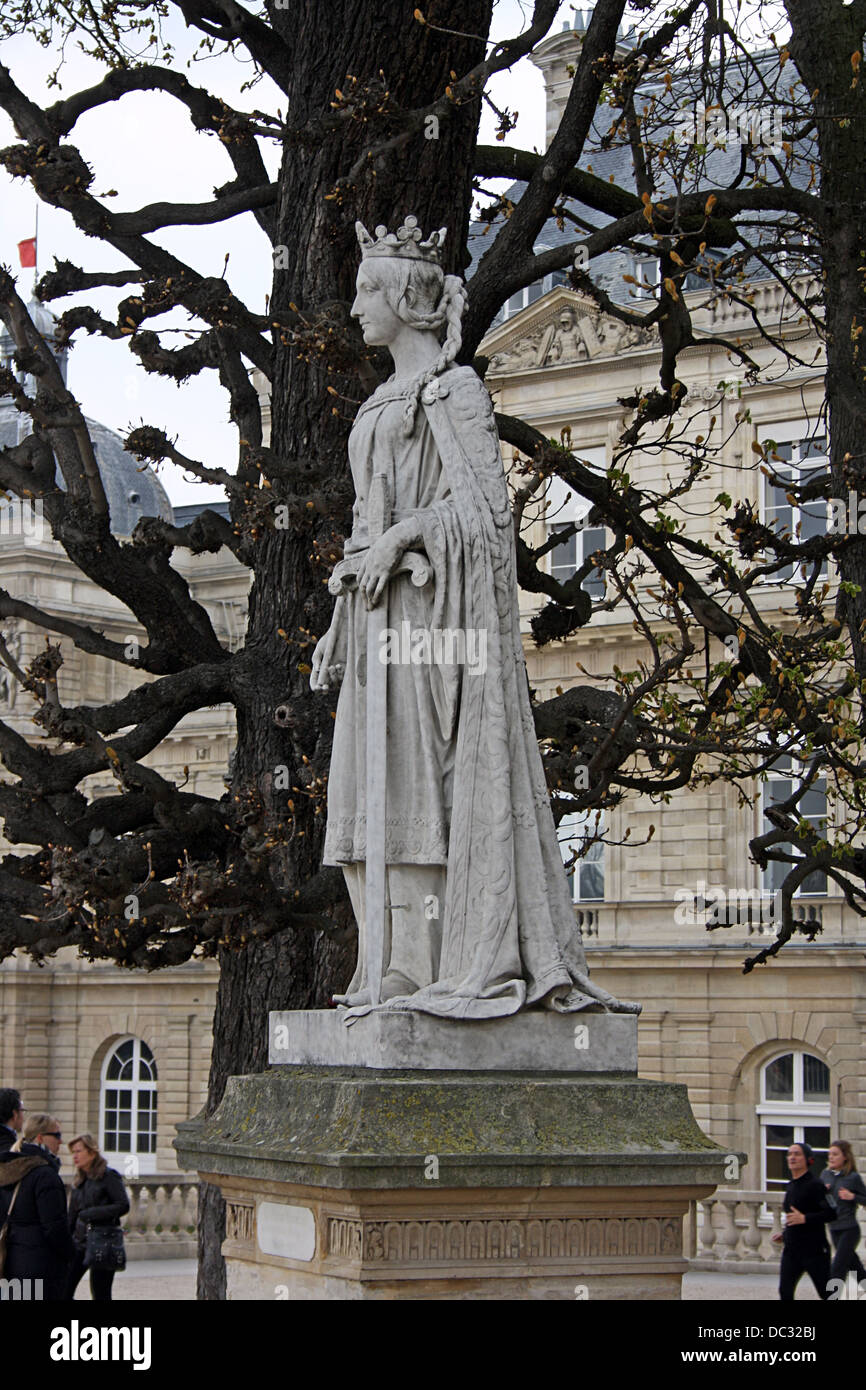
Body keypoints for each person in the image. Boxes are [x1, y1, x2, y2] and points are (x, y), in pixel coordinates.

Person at [310, 213, 638, 1021]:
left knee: (418, 786)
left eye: (364, 293)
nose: (354, 308)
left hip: (431, 621)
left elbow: (487, 514)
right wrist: (337, 625)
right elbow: (362, 532)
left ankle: (418, 966)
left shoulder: (452, 391)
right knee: (358, 794)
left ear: (403, 298)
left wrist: (410, 534)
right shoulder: (376, 403)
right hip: (373, 624)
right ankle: (378, 961)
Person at [0, 1112, 72, 1300]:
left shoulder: (11, 1169)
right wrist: (70, 1253)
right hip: (40, 1265)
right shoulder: (44, 1175)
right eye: (56, 1135)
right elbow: (54, 1226)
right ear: (40, 1138)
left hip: (11, 1261)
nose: (60, 1141)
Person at [65, 1133, 129, 1301]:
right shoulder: (79, 1180)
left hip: (103, 1241)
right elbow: (71, 1216)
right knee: (64, 1287)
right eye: (73, 1152)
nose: (75, 1156)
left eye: (78, 1151)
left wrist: (91, 1214)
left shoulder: (108, 1176)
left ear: (92, 1153)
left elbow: (123, 1205)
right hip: (79, 1243)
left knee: (100, 1292)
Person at [772, 1141, 833, 1300]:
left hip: (814, 1250)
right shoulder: (791, 1185)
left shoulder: (816, 1185)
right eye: (789, 1154)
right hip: (792, 1250)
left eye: (797, 1154)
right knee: (785, 1291)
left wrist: (805, 1218)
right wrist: (785, 1234)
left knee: (827, 1293)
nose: (792, 1157)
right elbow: (793, 1217)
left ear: (808, 1160)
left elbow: (832, 1213)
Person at [821, 1139, 866, 1289]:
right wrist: (820, 1192)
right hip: (833, 1228)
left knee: (837, 1268)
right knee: (855, 1268)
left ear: (845, 1156)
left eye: (835, 1154)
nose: (831, 1157)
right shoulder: (825, 1174)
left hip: (850, 1229)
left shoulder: (853, 1177)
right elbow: (817, 1201)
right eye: (829, 1154)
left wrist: (853, 1197)